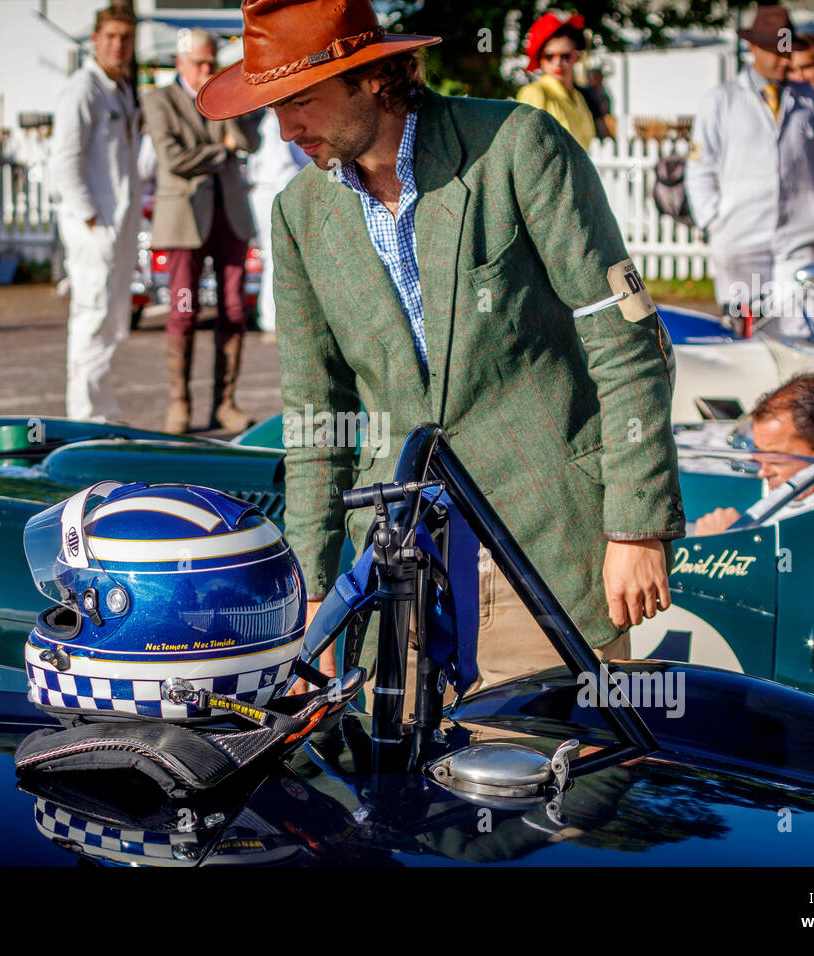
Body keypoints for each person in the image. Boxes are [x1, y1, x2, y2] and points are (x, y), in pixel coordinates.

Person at [196, 0, 685, 688]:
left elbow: (624, 338)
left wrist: (636, 528)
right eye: (274, 108)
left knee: (553, 783)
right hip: (394, 575)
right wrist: (313, 594)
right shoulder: (298, 212)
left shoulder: (518, 146)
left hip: (549, 552)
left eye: (300, 101)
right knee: (391, 793)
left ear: (371, 77)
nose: (285, 129)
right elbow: (315, 416)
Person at [685, 4, 814, 337]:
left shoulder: (807, 99)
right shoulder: (722, 100)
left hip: (801, 235)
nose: (786, 61)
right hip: (740, 237)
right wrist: (714, 219)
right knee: (746, 333)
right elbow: (700, 167)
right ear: (754, 48)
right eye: (777, 53)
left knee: (803, 329)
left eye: (789, 53)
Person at [143, 28, 261, 434]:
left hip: (229, 214)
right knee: (184, 309)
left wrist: (234, 113)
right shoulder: (158, 100)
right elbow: (174, 158)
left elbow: (252, 141)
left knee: (233, 309)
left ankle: (224, 404)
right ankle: (180, 403)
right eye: (200, 63)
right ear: (180, 63)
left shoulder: (226, 94)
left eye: (212, 62)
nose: (207, 69)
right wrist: (223, 150)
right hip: (184, 221)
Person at [48, 3, 144, 422]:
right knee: (91, 319)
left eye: (125, 37)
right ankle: (86, 418)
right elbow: (63, 164)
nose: (118, 45)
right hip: (95, 227)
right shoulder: (81, 90)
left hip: (117, 225)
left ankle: (102, 409)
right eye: (110, 37)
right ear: (94, 40)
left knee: (111, 321)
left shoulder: (121, 89)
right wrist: (92, 221)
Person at [694, 376, 814, 535]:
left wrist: (727, 541)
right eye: (760, 456)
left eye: (775, 458)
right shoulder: (791, 503)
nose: (762, 472)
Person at [246, 111, 306, 335]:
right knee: (277, 256)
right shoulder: (274, 123)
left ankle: (272, 316)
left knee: (275, 256)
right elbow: (283, 169)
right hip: (272, 191)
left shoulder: (272, 121)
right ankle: (272, 319)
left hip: (271, 190)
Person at [515, 12, 596, 151]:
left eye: (565, 56)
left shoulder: (579, 98)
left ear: (577, 56)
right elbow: (525, 149)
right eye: (549, 56)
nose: (558, 63)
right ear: (540, 58)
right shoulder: (534, 93)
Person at [583, 68, 614, 140]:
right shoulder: (585, 92)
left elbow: (606, 112)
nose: (592, 79)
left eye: (595, 76)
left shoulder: (602, 93)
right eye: (590, 76)